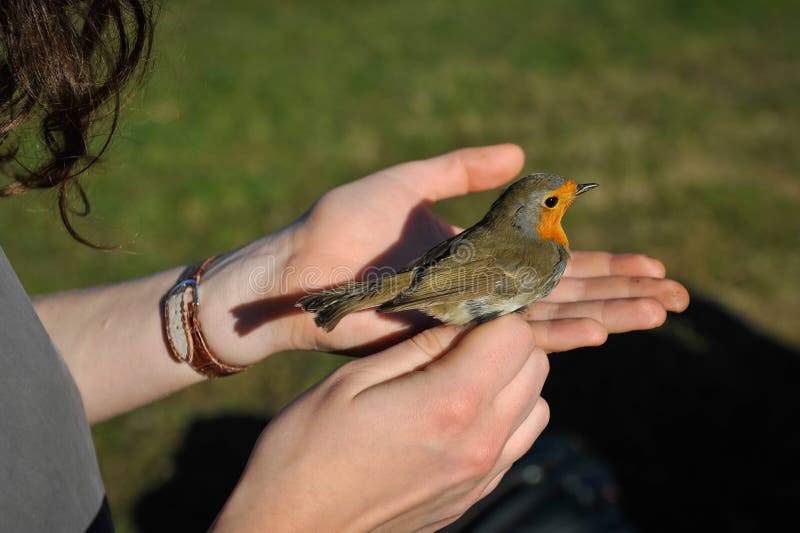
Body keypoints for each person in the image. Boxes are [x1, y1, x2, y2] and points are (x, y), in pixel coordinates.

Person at [0, 2, 689, 531]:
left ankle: (340, 296)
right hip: (451, 286)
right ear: (534, 213)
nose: (567, 198)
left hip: (441, 275)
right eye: (555, 198)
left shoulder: (540, 245)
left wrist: (268, 274)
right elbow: (464, 275)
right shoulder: (544, 256)